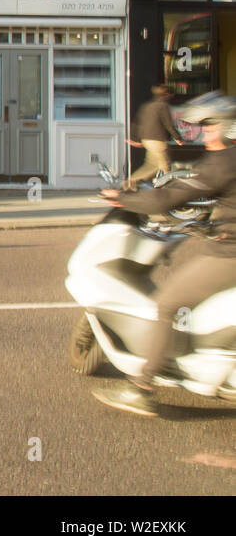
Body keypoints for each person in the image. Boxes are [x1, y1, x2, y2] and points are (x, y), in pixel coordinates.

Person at [95, 92, 236, 417]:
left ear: (226, 127)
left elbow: (165, 201)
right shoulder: (227, 161)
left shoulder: (222, 164)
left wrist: (122, 199)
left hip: (230, 255)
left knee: (167, 303)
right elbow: (196, 191)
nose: (203, 132)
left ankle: (141, 389)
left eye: (210, 126)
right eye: (203, 126)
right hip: (225, 242)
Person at [126, 84, 181, 190]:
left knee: (152, 165)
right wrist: (177, 138)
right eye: (171, 94)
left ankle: (131, 182)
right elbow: (168, 124)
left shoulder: (147, 106)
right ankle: (169, 191)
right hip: (158, 140)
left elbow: (138, 122)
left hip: (147, 140)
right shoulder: (163, 106)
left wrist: (136, 138)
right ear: (168, 94)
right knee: (166, 167)